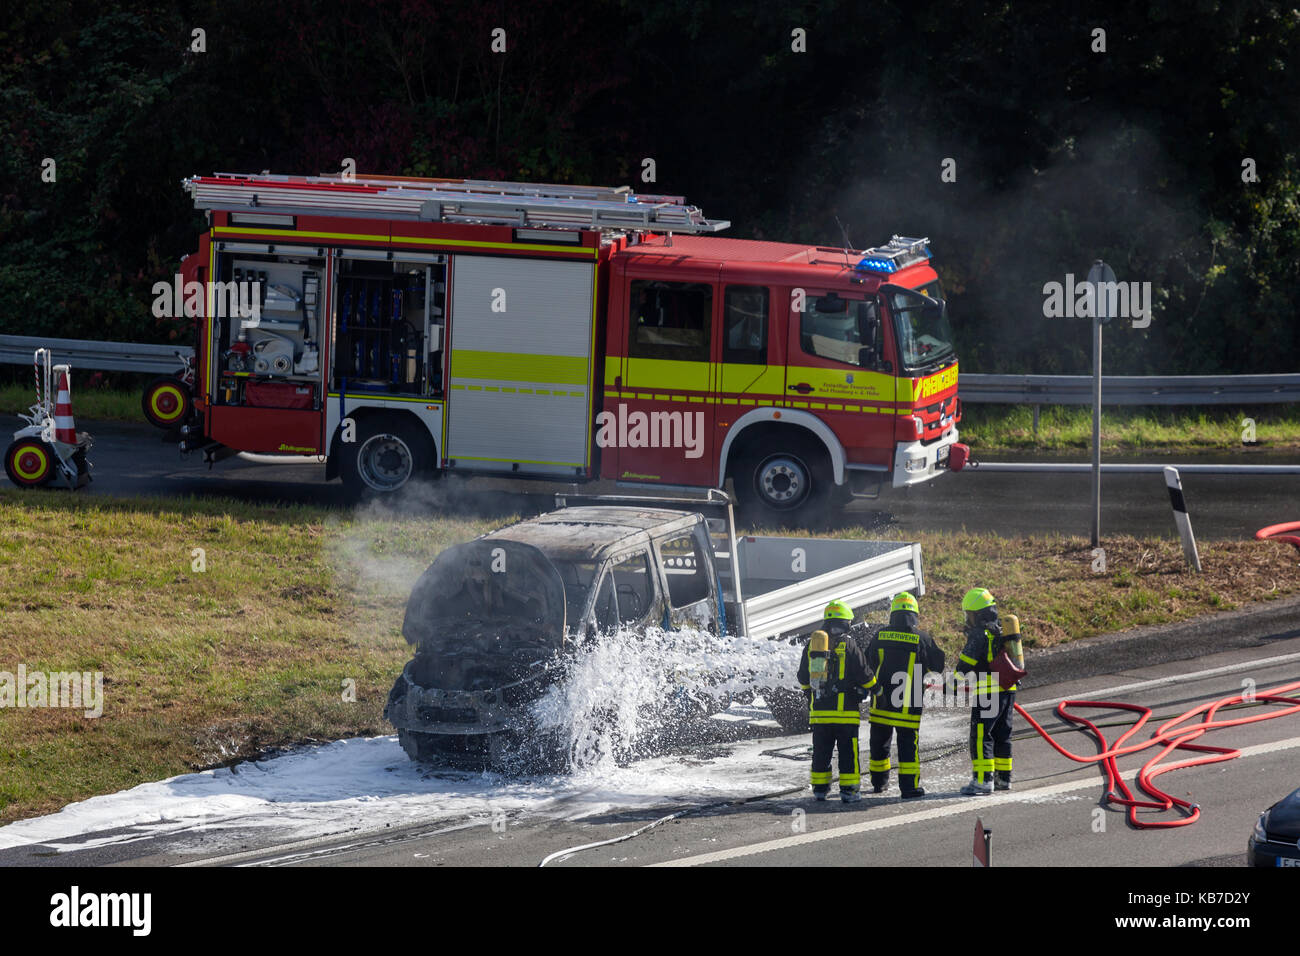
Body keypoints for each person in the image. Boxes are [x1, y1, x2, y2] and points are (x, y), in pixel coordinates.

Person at [864, 591, 945, 798]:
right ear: (914, 615)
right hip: (908, 704)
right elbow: (937, 666)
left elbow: (868, 664)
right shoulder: (922, 638)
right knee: (908, 745)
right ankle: (909, 788)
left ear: (893, 614)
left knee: (879, 743)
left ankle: (879, 783)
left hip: (881, 702)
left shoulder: (880, 635)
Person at [797, 599, 876, 803]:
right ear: (845, 623)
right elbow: (863, 672)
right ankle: (849, 792)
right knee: (848, 753)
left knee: (821, 752)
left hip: (820, 715)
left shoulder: (812, 644)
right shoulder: (847, 643)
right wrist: (877, 688)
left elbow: (803, 677)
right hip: (845, 714)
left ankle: (820, 790)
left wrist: (810, 696)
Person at [954, 587, 1021, 795]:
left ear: (976, 613)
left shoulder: (980, 633)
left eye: (969, 614)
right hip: (1008, 690)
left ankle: (983, 781)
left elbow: (966, 663)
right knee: (1003, 734)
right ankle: (1004, 778)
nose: (968, 619)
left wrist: (951, 685)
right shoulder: (1000, 628)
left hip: (989, 693)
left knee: (981, 735)